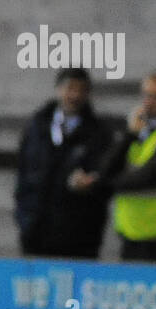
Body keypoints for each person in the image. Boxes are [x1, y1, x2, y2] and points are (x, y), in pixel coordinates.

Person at [69, 72, 156, 263]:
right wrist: (129, 135)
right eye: (146, 95)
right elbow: (106, 168)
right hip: (131, 232)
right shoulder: (137, 133)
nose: (149, 101)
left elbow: (148, 177)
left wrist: (97, 183)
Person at [13, 68, 111, 259]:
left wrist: (89, 185)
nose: (74, 95)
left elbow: (105, 178)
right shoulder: (36, 127)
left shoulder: (99, 134)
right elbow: (23, 173)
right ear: (58, 90)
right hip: (36, 230)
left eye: (80, 90)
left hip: (79, 236)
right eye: (70, 89)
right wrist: (24, 217)